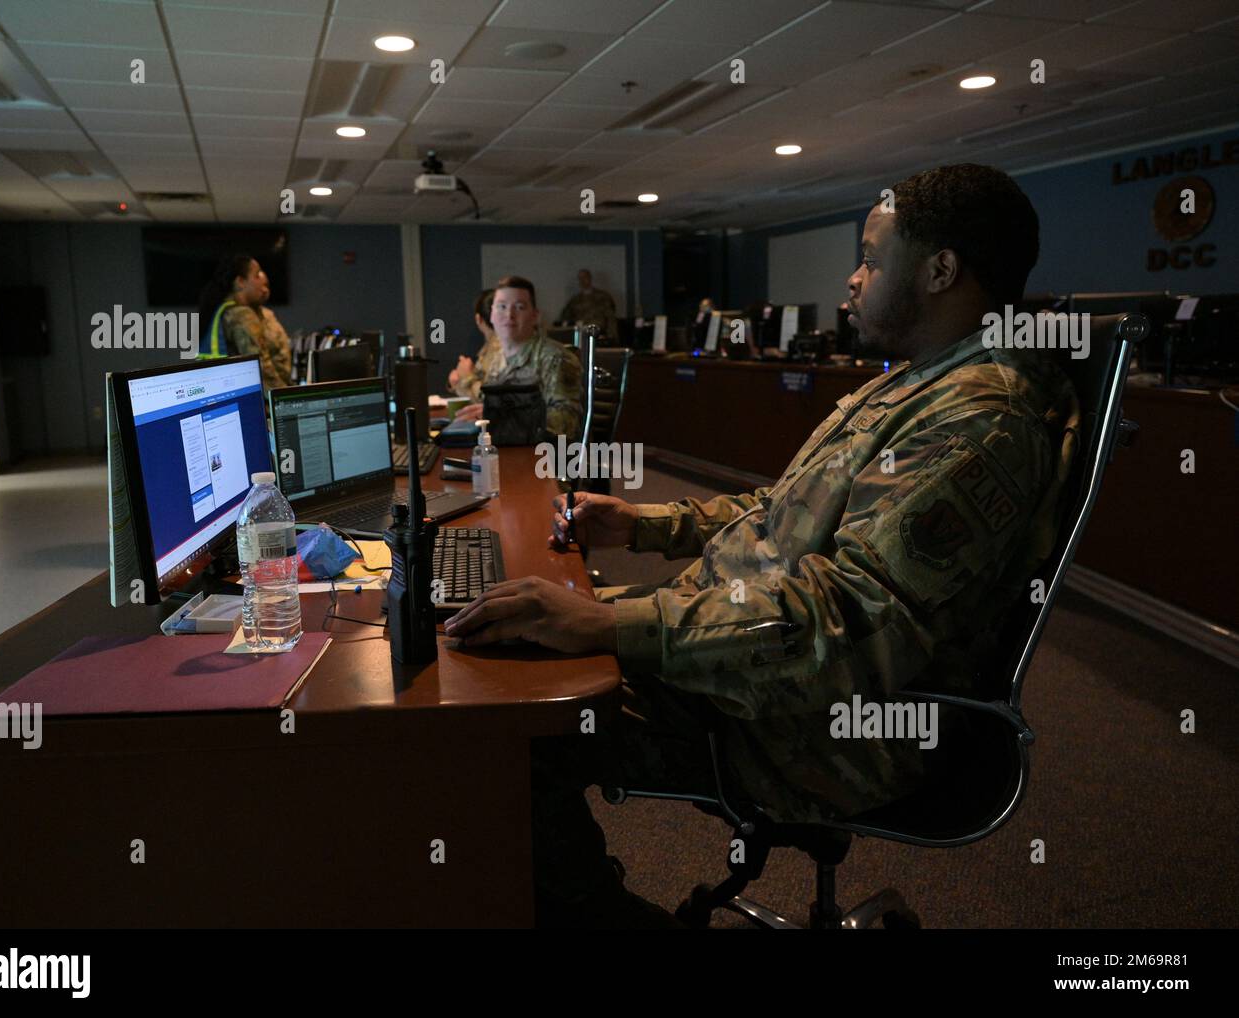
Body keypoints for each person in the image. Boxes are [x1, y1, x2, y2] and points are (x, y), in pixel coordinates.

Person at [443, 164, 1081, 926]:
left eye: (873, 259)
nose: (853, 279)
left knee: (502, 728)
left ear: (941, 270)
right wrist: (645, 525)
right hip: (743, 651)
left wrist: (611, 625)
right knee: (500, 651)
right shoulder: (915, 382)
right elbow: (784, 512)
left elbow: (846, 625)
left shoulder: (979, 419)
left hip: (816, 721)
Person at [454, 276, 583, 441]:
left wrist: (502, 418)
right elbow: (484, 401)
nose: (509, 315)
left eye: (520, 307)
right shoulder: (494, 356)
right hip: (505, 445)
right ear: (491, 315)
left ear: (535, 316)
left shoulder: (556, 358)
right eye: (501, 307)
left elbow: (568, 422)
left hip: (548, 458)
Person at [196, 254, 292, 389]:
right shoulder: (241, 315)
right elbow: (262, 369)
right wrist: (286, 397)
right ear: (240, 281)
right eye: (257, 274)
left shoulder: (218, 310)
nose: (264, 277)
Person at [449, 289, 502, 400]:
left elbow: (488, 399)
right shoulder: (490, 347)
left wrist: (466, 377)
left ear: (478, 319)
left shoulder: (501, 348)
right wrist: (458, 382)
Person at [558, 269, 618, 341]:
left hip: (599, 333)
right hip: (581, 334)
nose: (582, 281)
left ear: (590, 278)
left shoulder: (603, 297)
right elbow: (565, 317)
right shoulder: (575, 300)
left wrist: (611, 336)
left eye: (585, 277)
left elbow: (611, 318)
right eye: (580, 279)